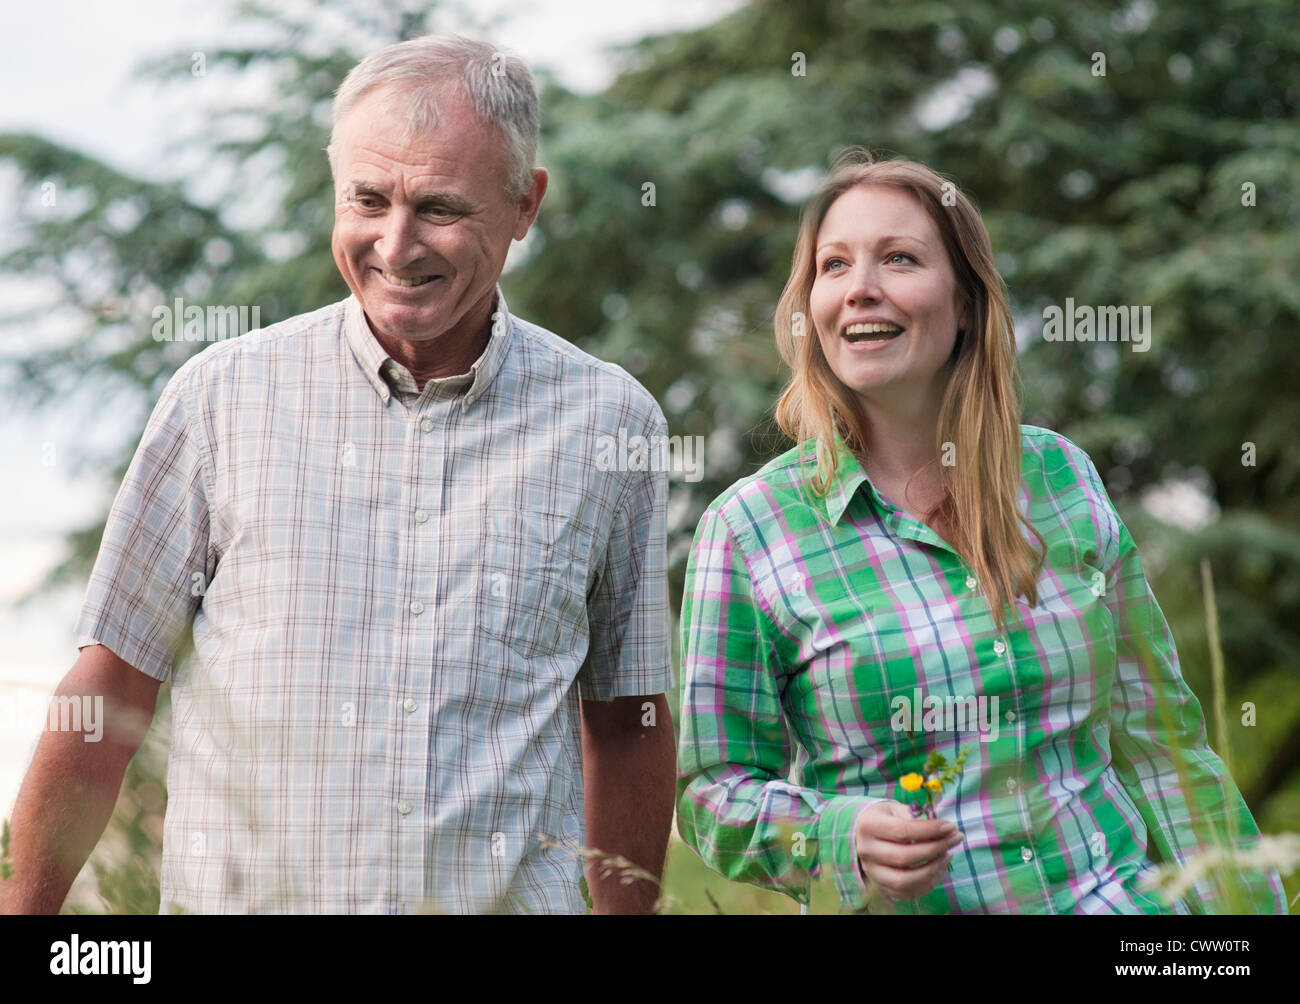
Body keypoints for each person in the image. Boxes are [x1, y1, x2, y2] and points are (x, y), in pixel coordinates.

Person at [0, 34, 675, 915]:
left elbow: (627, 722)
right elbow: (110, 687)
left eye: (439, 207)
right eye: (367, 199)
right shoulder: (219, 399)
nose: (395, 245)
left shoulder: (611, 424)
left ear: (524, 203)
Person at [674, 148, 1286, 914]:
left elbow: (1164, 744)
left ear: (965, 303)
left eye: (899, 258)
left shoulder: (1061, 477)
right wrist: (838, 835)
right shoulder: (750, 530)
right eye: (834, 266)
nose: (861, 288)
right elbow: (711, 792)